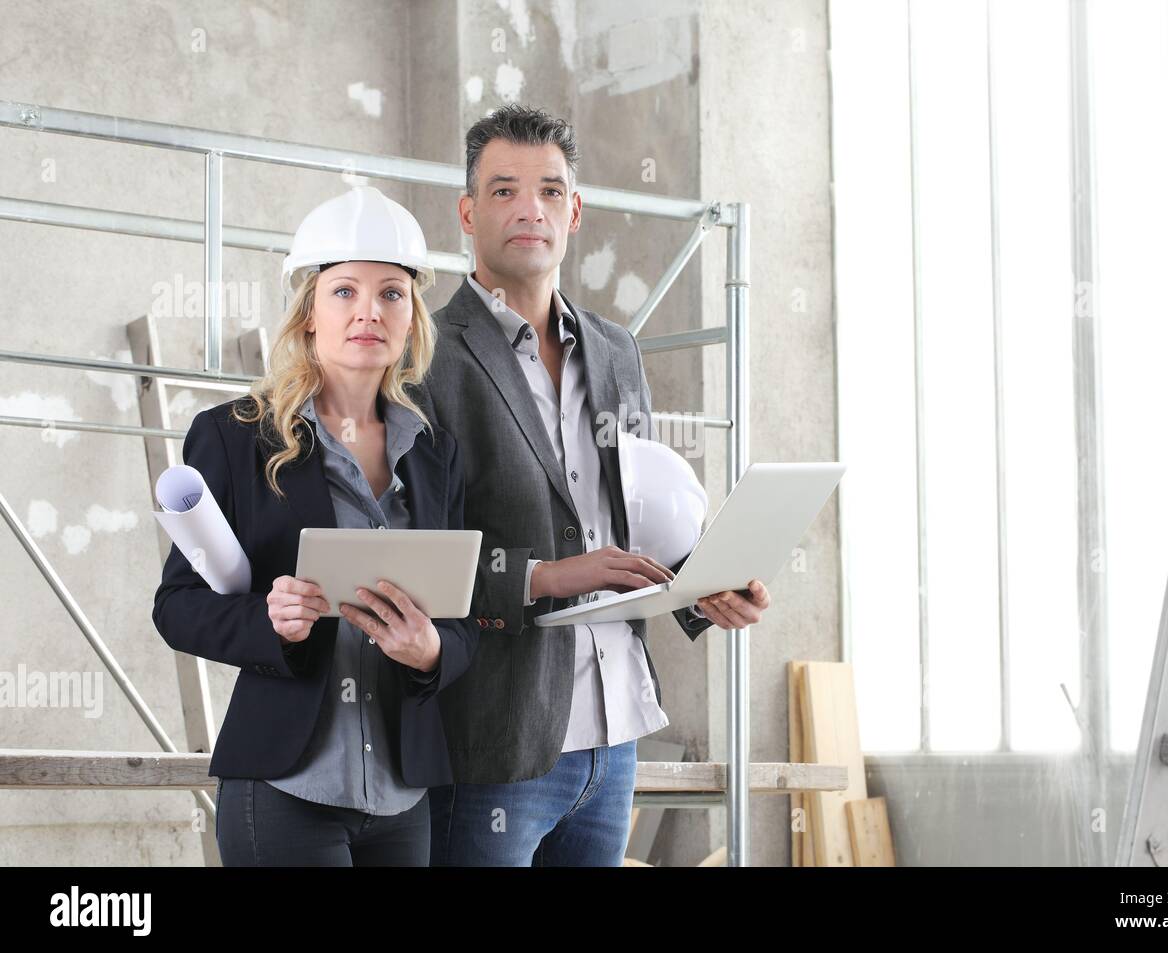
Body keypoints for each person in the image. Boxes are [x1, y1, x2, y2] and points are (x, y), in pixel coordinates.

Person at [421, 105, 771, 866]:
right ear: (467, 212)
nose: (529, 210)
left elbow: (632, 522)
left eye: (550, 191)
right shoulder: (428, 358)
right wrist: (547, 576)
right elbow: (417, 564)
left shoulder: (616, 352)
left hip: (615, 738)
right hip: (500, 741)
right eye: (505, 190)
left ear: (573, 212)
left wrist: (700, 587)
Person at [152, 186, 475, 866]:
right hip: (283, 786)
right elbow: (177, 609)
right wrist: (267, 622)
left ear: (412, 317)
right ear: (308, 314)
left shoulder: (434, 453)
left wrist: (432, 653)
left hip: (401, 796)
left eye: (391, 293)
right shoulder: (235, 437)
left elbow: (466, 624)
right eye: (344, 292)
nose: (368, 311)